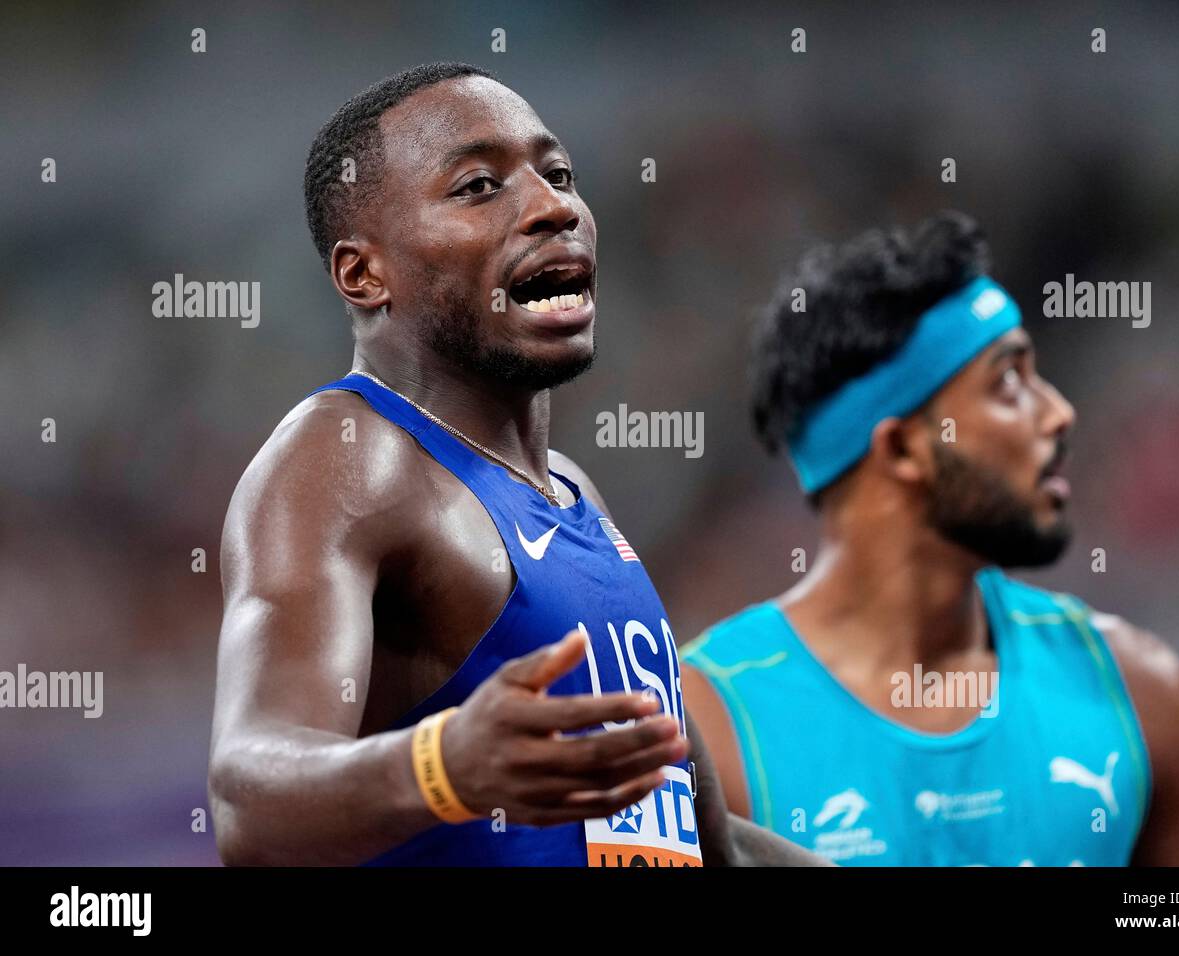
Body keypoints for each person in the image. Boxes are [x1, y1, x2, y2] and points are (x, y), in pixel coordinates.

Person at [207, 63, 824, 867]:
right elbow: (249, 799)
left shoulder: (576, 496)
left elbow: (707, 846)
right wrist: (442, 767)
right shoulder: (347, 460)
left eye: (559, 174)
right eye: (477, 186)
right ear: (365, 273)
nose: (554, 206)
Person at [681, 212, 1179, 865]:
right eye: (1008, 383)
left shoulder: (1140, 690)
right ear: (906, 448)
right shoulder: (706, 726)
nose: (1059, 412)